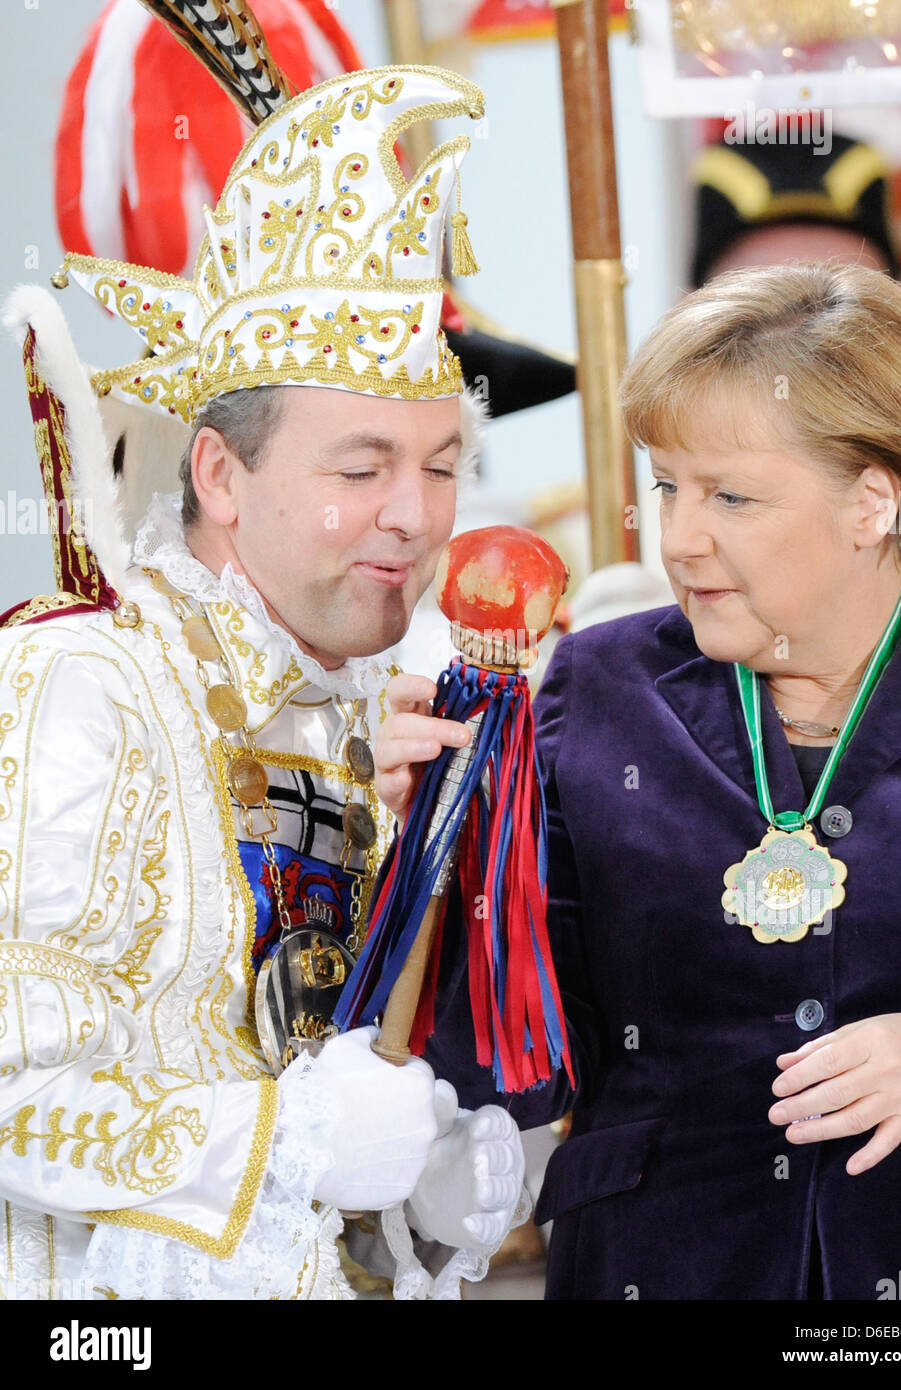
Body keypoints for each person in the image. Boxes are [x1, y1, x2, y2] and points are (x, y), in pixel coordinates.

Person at [0, 62, 526, 1302]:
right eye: (362, 466)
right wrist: (280, 1142)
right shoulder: (81, 676)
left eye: (443, 464)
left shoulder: (376, 706)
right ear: (220, 476)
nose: (414, 515)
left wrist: (433, 1161)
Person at [377, 260, 901, 1299]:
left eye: (728, 495)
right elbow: (503, 1062)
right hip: (660, 1263)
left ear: (873, 501)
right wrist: (435, 837)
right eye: (664, 486)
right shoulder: (591, 685)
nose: (677, 537)